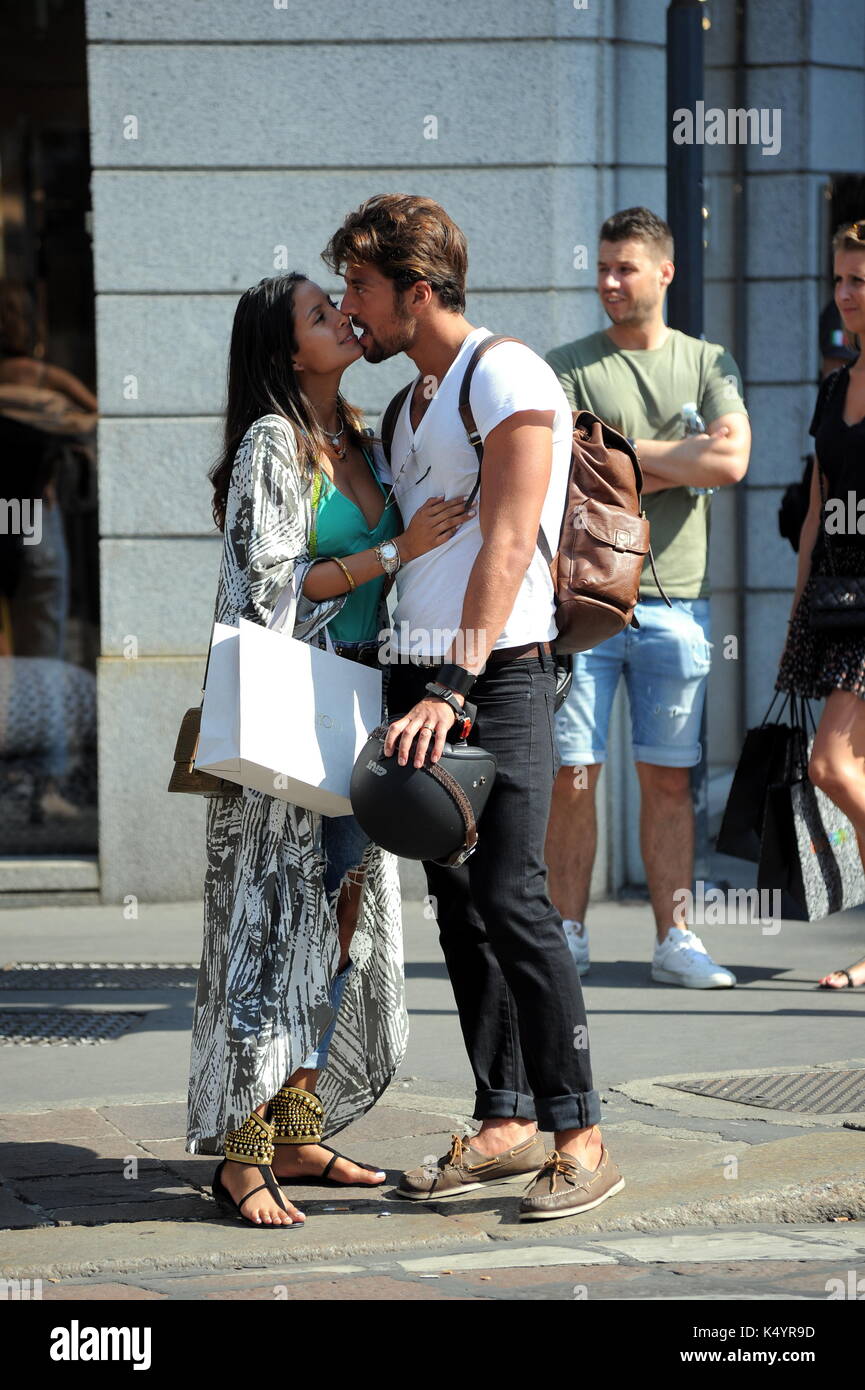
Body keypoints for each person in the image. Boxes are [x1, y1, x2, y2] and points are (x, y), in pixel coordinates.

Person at [322, 193, 623, 1221]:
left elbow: (504, 541)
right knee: (457, 904)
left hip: (497, 676)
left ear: (417, 290)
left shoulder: (507, 375)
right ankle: (504, 1119)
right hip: (418, 676)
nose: (347, 306)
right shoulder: (407, 405)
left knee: (513, 894)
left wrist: (452, 686)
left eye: (360, 286)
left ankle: (578, 1129)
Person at [186, 272, 471, 1227]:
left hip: (363, 700)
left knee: (344, 920)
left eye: (339, 303)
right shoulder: (273, 442)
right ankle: (242, 1152)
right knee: (275, 927)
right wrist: (396, 554)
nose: (344, 316)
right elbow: (267, 586)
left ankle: (299, 1128)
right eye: (320, 314)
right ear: (284, 352)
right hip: (296, 705)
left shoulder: (357, 428)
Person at [545, 207, 751, 987]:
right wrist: (675, 459)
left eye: (623, 267)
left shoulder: (706, 362)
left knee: (669, 777)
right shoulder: (565, 364)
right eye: (600, 266)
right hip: (582, 601)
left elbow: (730, 463)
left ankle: (675, 940)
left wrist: (617, 457)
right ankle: (565, 934)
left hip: (675, 602)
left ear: (664, 272)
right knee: (572, 773)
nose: (607, 281)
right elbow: (566, 467)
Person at [775, 221, 865, 992]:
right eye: (838, 279)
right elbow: (817, 502)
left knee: (831, 765)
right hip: (837, 599)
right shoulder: (835, 385)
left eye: (858, 281)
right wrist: (798, 598)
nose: (843, 294)